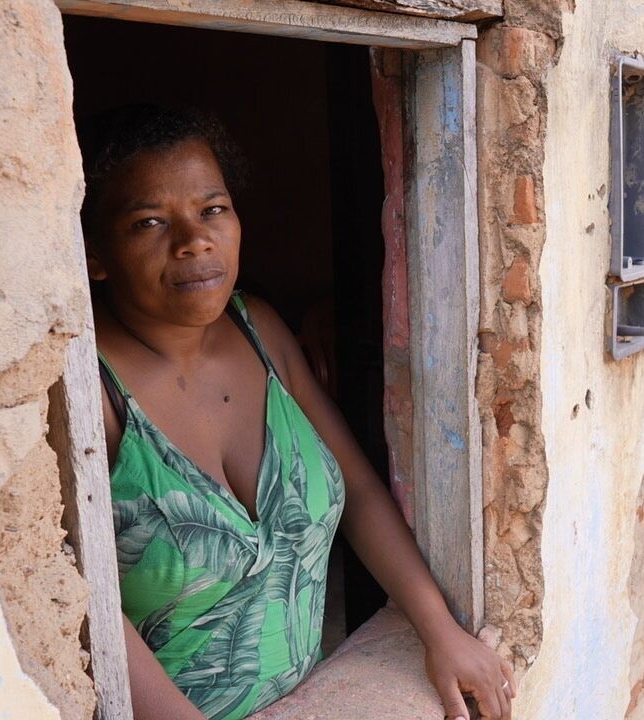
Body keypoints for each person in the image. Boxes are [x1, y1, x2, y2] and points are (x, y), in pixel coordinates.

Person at [78, 105, 514, 720]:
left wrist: (441, 631)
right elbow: (88, 605)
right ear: (96, 255)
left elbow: (358, 490)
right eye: (150, 221)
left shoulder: (259, 328)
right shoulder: (87, 385)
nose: (193, 240)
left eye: (212, 210)